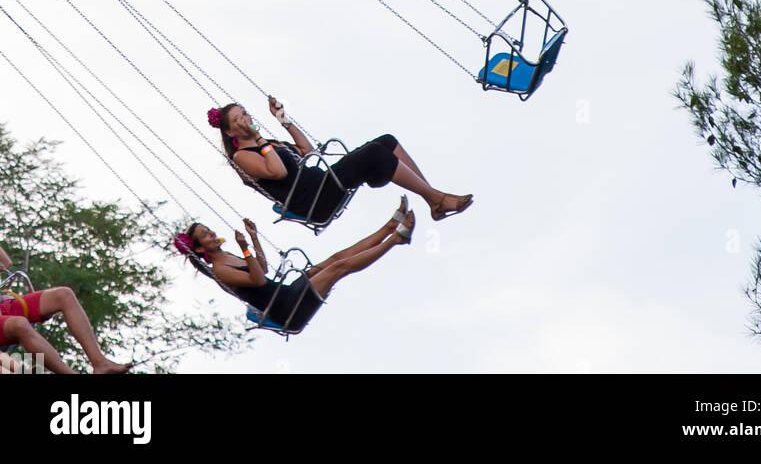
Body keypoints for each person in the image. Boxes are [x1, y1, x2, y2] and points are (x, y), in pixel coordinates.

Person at [211, 98, 473, 223]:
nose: (246, 118)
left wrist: (284, 121)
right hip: (313, 199)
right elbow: (278, 172)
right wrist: (259, 139)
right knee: (373, 153)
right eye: (239, 119)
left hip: (322, 183)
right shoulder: (243, 156)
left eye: (244, 113)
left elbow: (308, 150)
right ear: (231, 132)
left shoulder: (267, 143)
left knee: (386, 142)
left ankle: (432, 199)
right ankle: (438, 198)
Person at [175, 211, 414, 334]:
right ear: (198, 248)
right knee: (338, 268)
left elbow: (263, 268)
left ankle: (388, 228)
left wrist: (254, 238)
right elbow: (257, 280)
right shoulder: (220, 270)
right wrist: (245, 247)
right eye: (205, 235)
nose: (211, 234)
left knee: (334, 259)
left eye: (208, 230)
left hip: (286, 293)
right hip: (287, 308)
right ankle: (396, 238)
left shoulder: (228, 257)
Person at [0, 243, 131, 375]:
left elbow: (5, 263)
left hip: (4, 307)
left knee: (63, 295)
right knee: (19, 324)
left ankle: (100, 363)